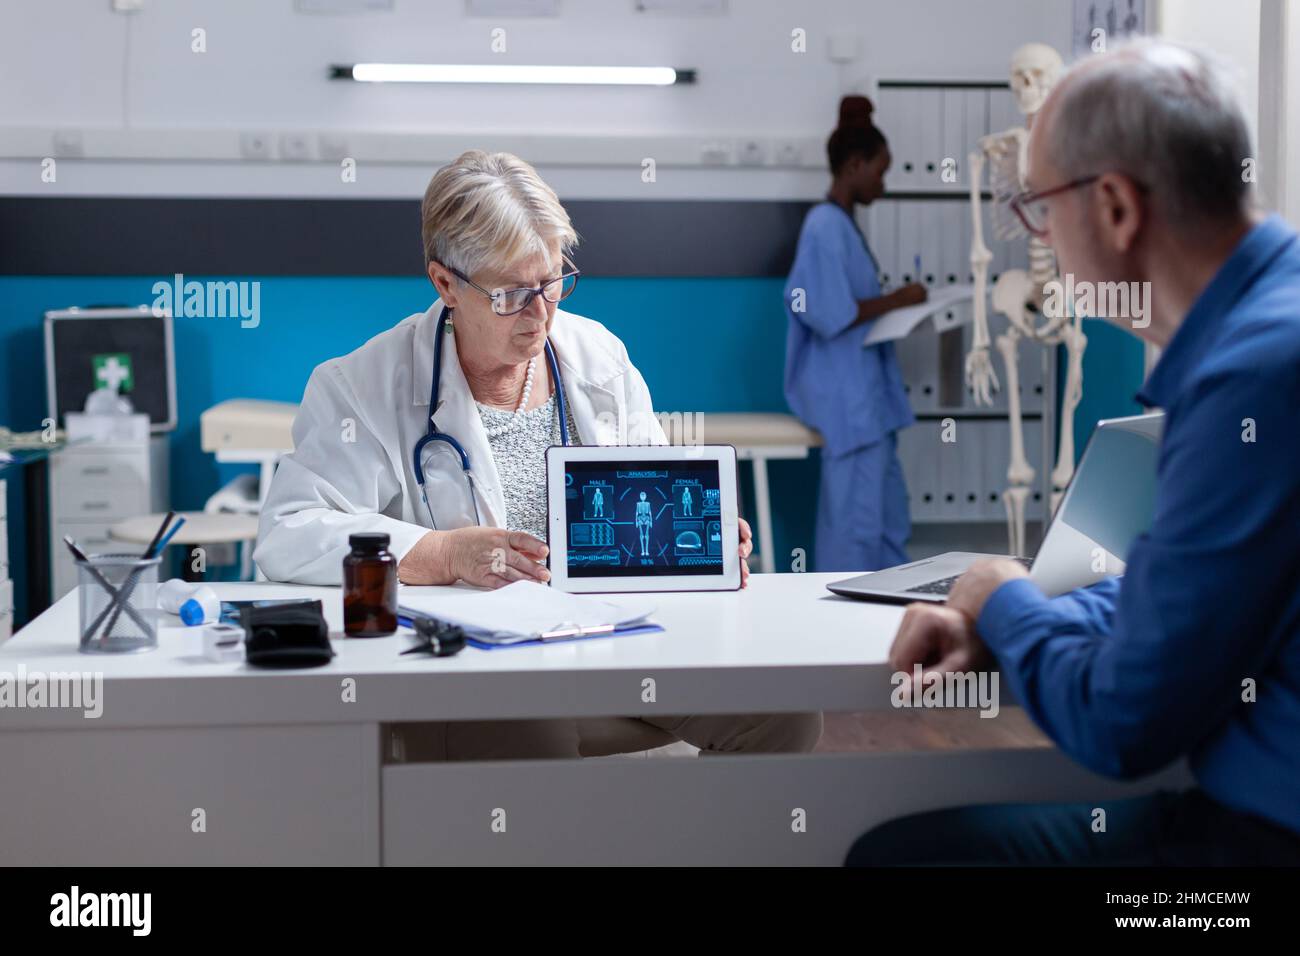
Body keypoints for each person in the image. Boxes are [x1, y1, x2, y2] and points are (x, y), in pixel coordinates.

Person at [848, 40, 1300, 866]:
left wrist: (1002, 595)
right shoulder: (1273, 325)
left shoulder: (1254, 378)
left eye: (1040, 211)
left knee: (902, 859)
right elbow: (1186, 593)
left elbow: (1122, 725)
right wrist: (1020, 611)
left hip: (1260, 846)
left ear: (1118, 208)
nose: (1042, 238)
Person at [255, 150, 821, 761]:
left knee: (784, 712)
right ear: (445, 283)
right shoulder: (361, 386)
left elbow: (653, 484)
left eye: (552, 282)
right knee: (534, 733)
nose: (541, 313)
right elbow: (290, 531)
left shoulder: (597, 356)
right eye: (511, 295)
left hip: (615, 644)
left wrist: (694, 536)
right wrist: (443, 554)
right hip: (480, 666)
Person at [784, 95, 927, 573]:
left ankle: (895, 628)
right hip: (849, 406)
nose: (882, 185)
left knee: (888, 523)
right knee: (854, 532)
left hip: (870, 406)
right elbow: (827, 312)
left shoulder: (842, 226)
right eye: (879, 172)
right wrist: (899, 301)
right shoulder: (824, 226)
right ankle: (846, 637)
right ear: (854, 165)